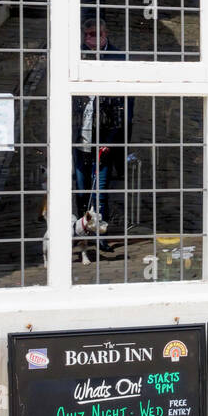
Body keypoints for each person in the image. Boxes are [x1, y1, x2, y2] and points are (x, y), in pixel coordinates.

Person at [75, 20, 132, 250]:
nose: (91, 39)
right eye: (88, 35)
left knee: (100, 191)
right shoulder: (77, 54)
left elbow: (125, 104)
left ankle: (101, 236)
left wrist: (111, 140)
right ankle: (82, 236)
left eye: (96, 34)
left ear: (105, 34)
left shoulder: (117, 57)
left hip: (105, 135)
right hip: (79, 136)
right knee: (81, 189)